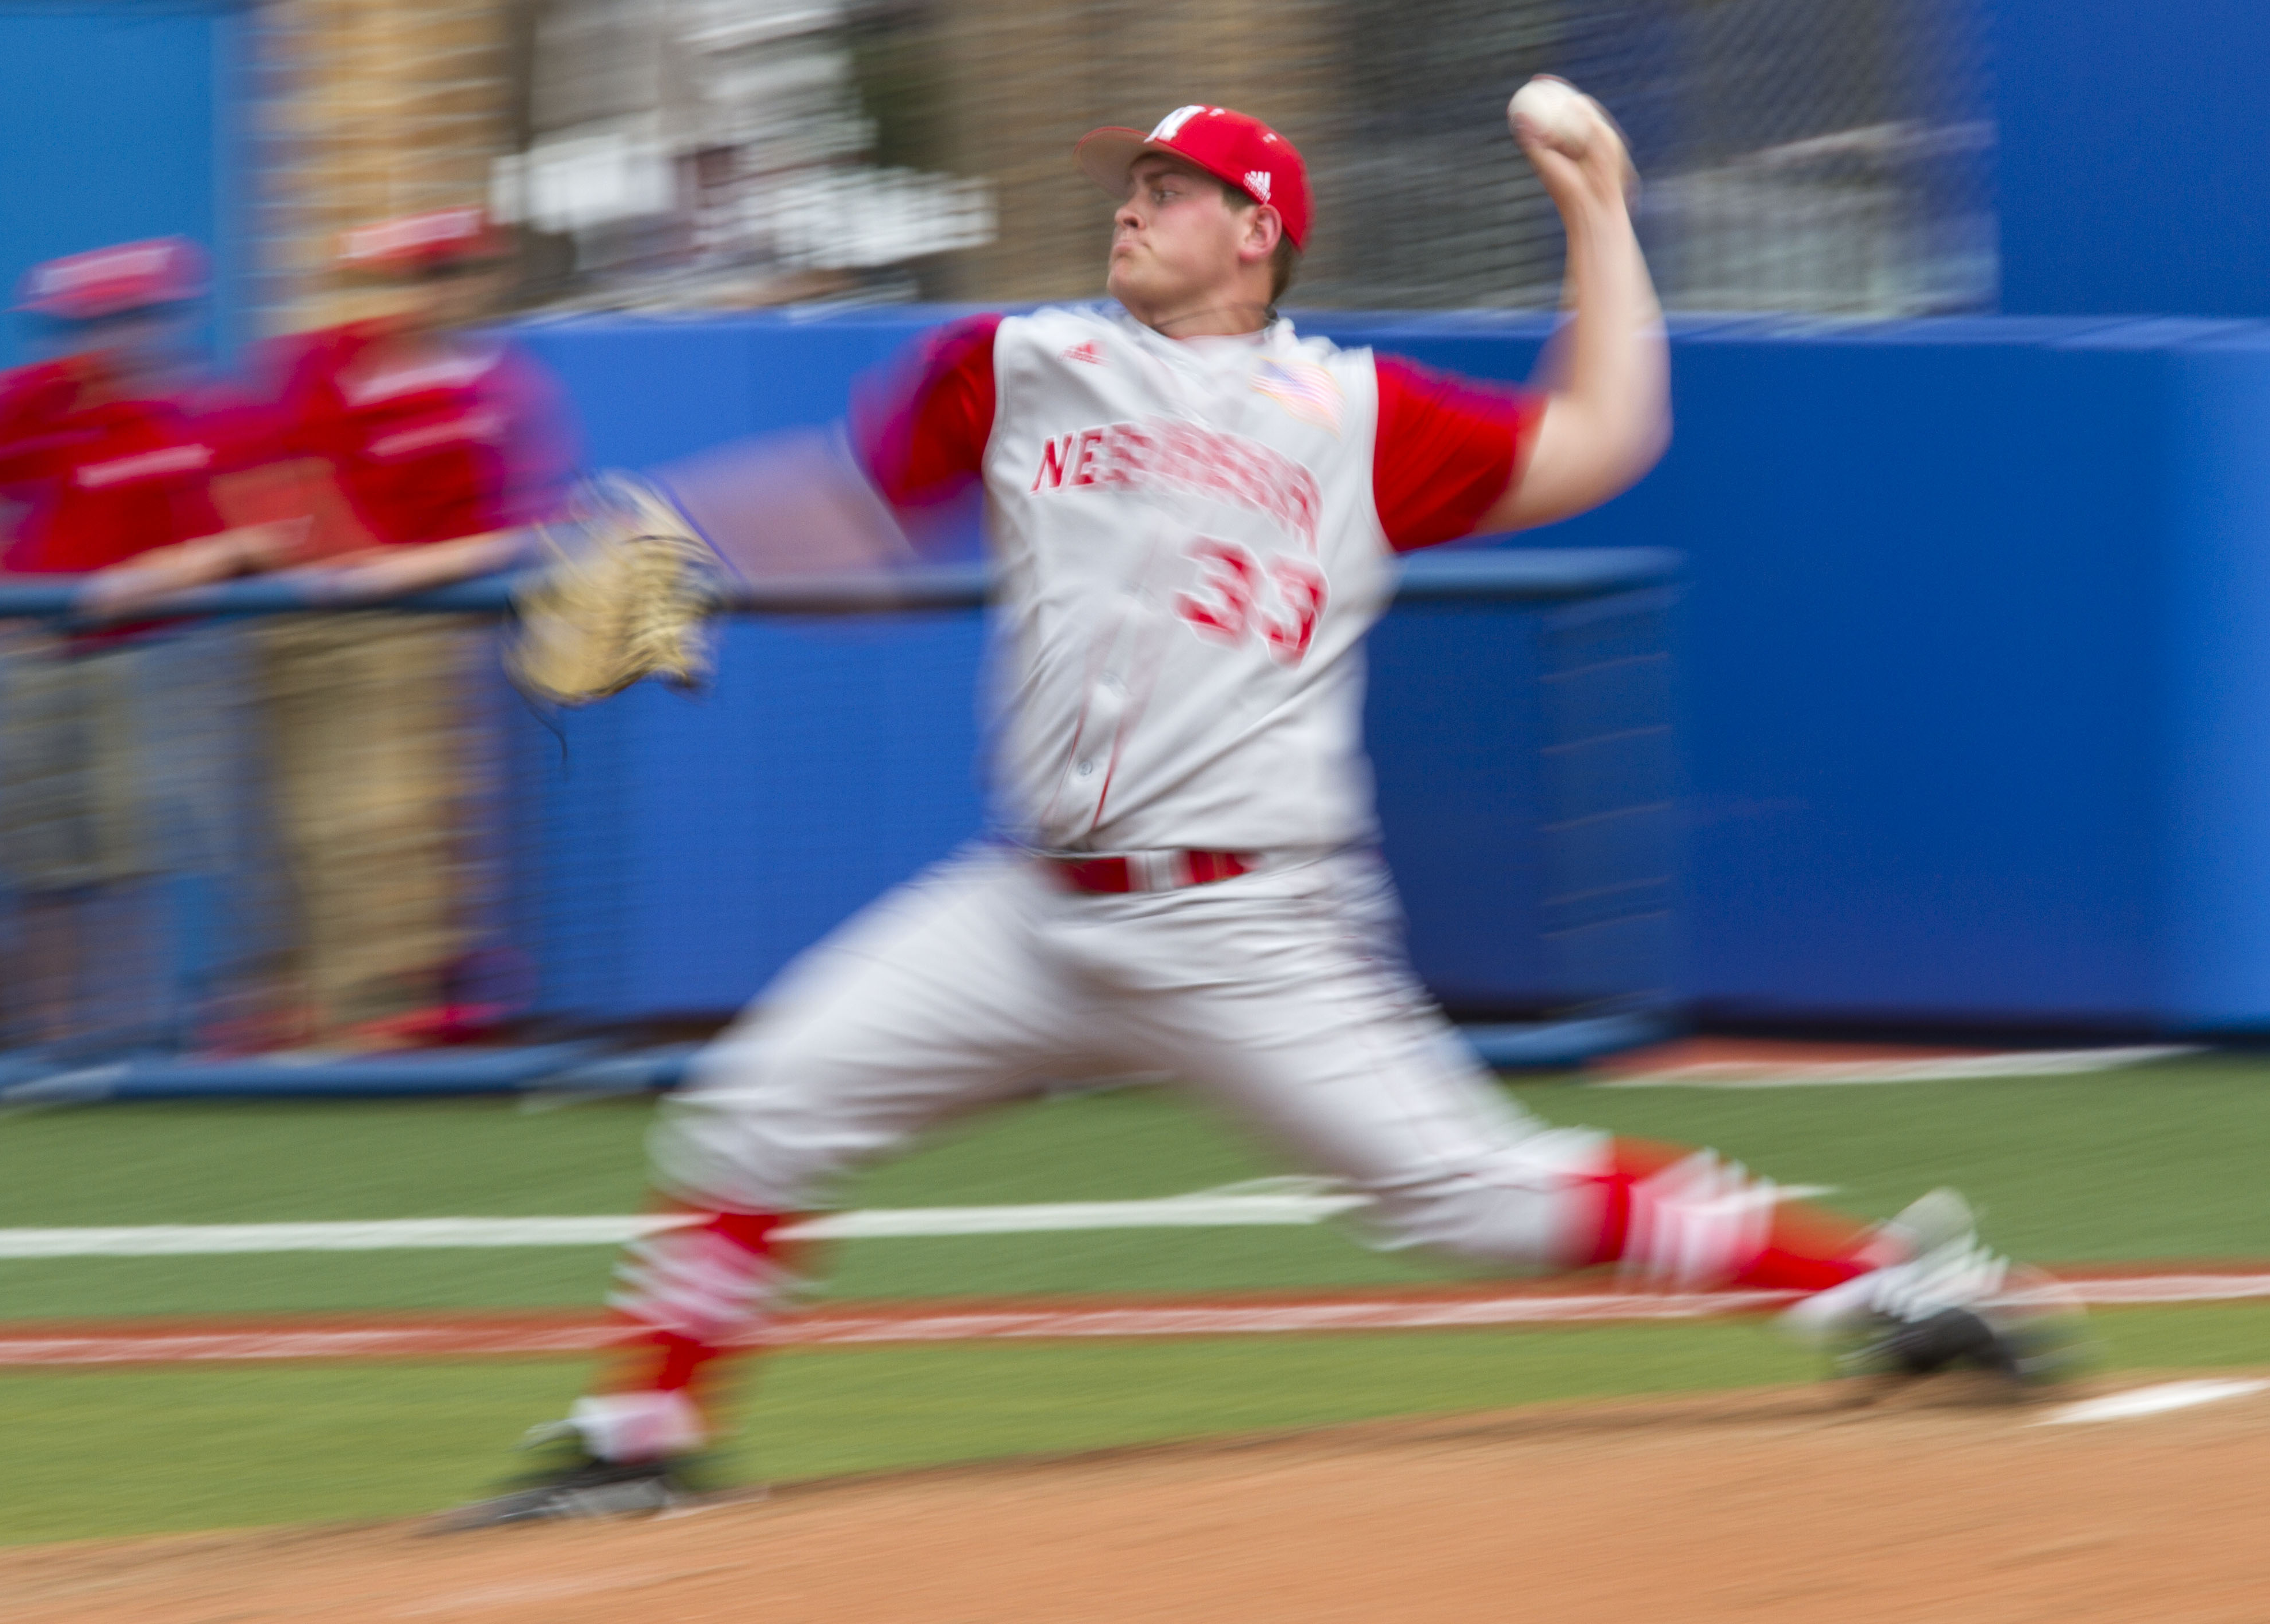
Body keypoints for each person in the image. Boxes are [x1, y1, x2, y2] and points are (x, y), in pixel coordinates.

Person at [449, 96, 2074, 1526]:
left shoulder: (1354, 417)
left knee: (1471, 1197)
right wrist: (685, 539)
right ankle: (636, 1438)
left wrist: (1595, 206)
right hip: (1027, 907)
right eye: (1129, 179)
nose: (1129, 202)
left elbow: (1602, 436)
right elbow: (856, 508)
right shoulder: (1017, 363)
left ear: (1254, 232)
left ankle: (1886, 1281)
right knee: (756, 1110)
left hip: (1246, 919)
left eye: (1169, 185)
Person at [85, 206, 578, 1048]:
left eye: (446, 271)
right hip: (293, 625)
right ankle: (307, 1008)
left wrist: (418, 567)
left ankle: (382, 1017)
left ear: (480, 278)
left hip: (414, 630)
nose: (423, 293)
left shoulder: (495, 384)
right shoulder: (315, 364)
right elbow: (255, 482)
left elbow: (541, 526)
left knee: (392, 819)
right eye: (406, 274)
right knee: (292, 825)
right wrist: (207, 557)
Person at [0, 237, 283, 1050]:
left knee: (131, 867)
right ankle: (50, 1049)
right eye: (78, 323)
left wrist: (172, 569)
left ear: (158, 321)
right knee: (37, 875)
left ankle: (130, 1046)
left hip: (150, 665)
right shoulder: (19, 403)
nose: (97, 339)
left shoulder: (208, 412)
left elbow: (272, 533)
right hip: (28, 669)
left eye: (119, 319)